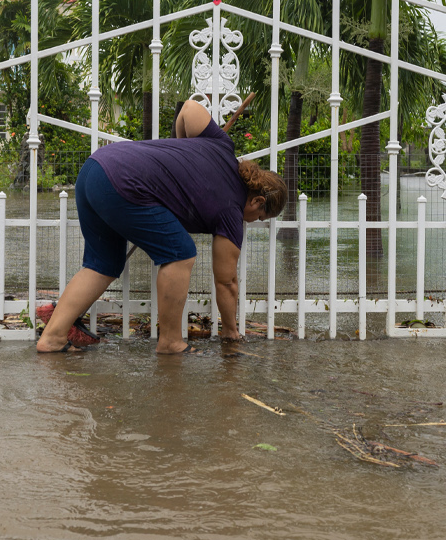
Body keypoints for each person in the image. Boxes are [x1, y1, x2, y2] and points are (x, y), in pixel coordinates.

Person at [35, 99, 287, 354]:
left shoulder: (222, 146)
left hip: (95, 168)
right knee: (180, 253)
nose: (252, 222)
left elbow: (189, 109)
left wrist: (182, 149)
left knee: (103, 265)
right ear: (257, 201)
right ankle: (170, 342)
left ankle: (53, 338)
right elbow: (227, 281)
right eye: (260, 217)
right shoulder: (231, 211)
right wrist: (231, 332)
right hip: (122, 182)